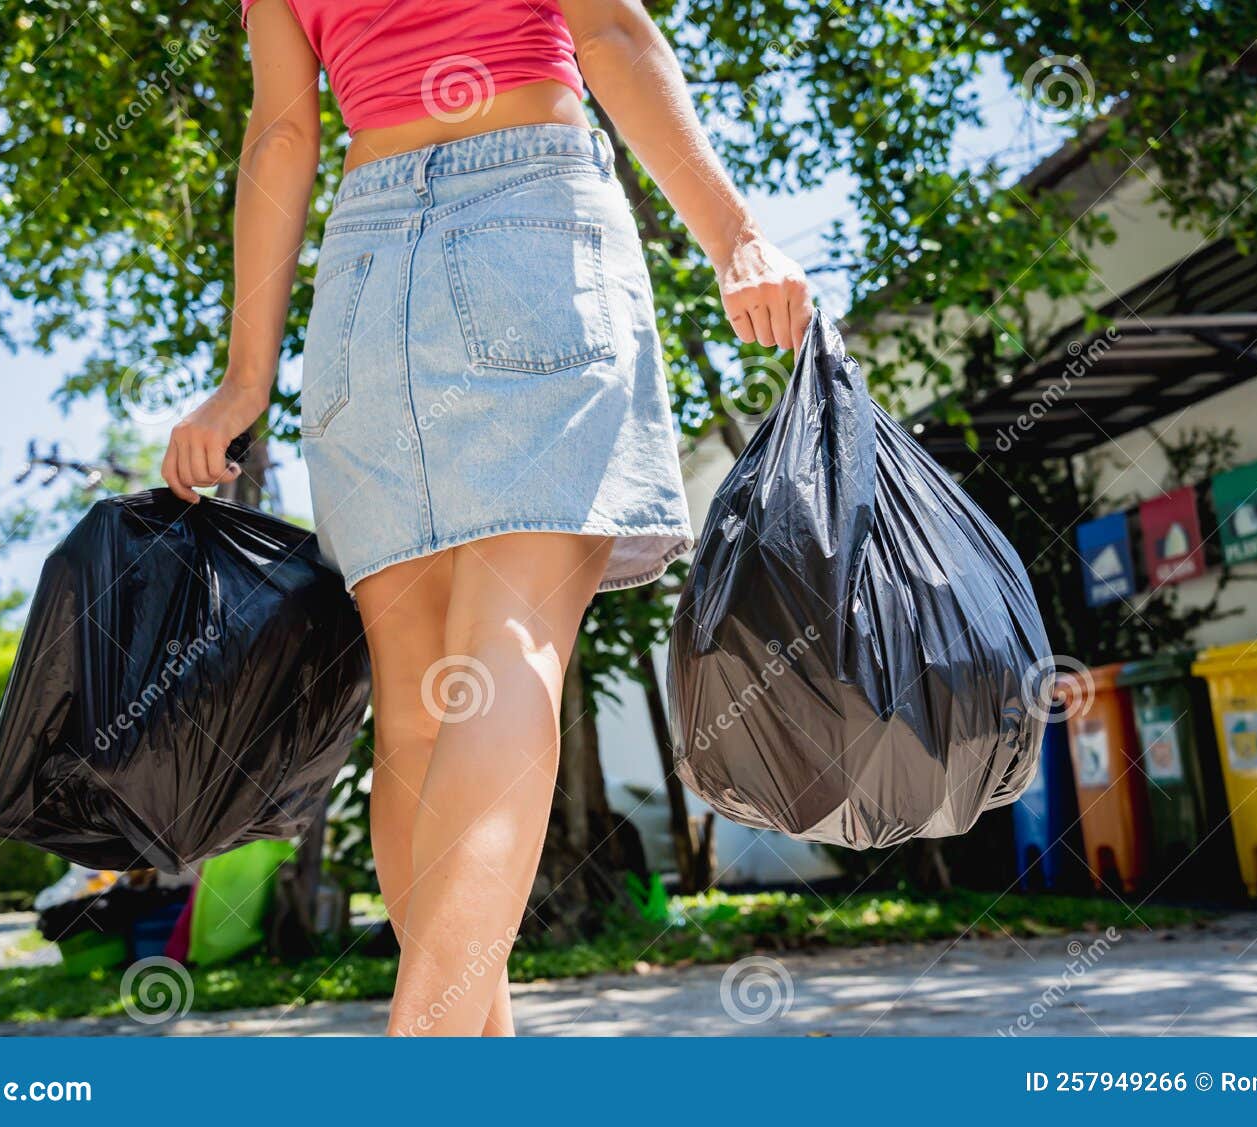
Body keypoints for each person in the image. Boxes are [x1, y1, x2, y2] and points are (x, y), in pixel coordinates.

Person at [161, 0, 811, 1035]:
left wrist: (244, 381)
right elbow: (610, 37)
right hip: (529, 225)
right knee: (502, 658)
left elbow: (282, 134)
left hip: (364, 273)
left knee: (419, 714)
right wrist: (735, 237)